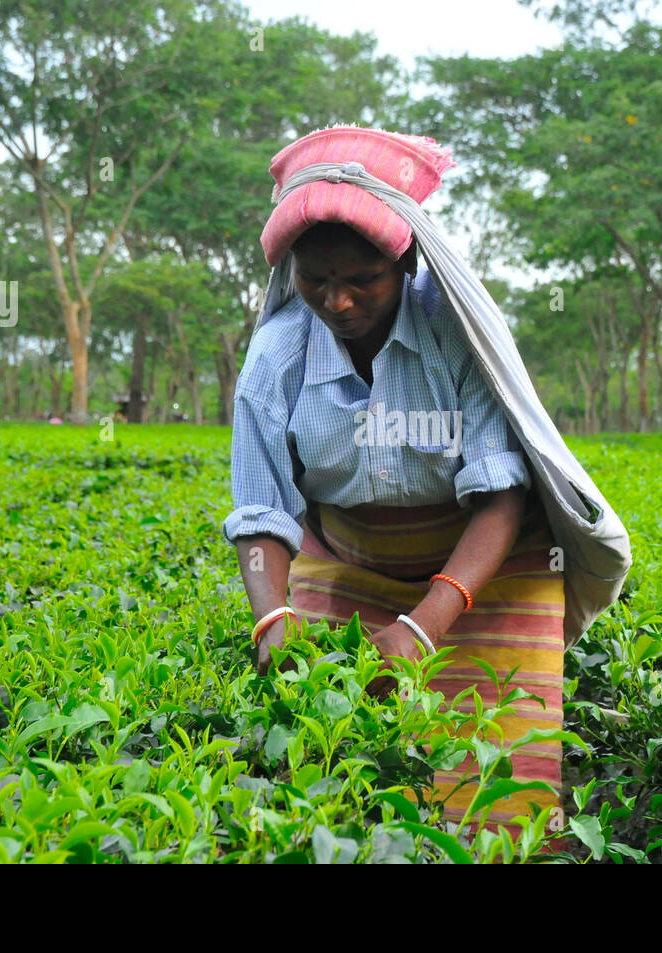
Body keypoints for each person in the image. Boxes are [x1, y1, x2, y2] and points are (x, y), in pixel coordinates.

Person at [226, 126, 616, 847]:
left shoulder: (454, 334)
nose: (337, 302)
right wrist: (269, 621)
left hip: (482, 569)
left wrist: (422, 625)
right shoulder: (275, 357)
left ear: (402, 264)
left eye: (361, 280)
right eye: (316, 281)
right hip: (348, 559)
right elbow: (259, 510)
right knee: (342, 777)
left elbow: (502, 496)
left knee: (502, 786)